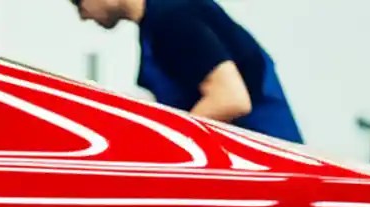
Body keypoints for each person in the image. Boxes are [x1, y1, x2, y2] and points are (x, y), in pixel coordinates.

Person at [70, 0, 304, 143]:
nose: (82, 16)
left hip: (265, 169)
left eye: (77, 1)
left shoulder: (173, 17)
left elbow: (230, 99)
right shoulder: (154, 26)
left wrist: (166, 143)